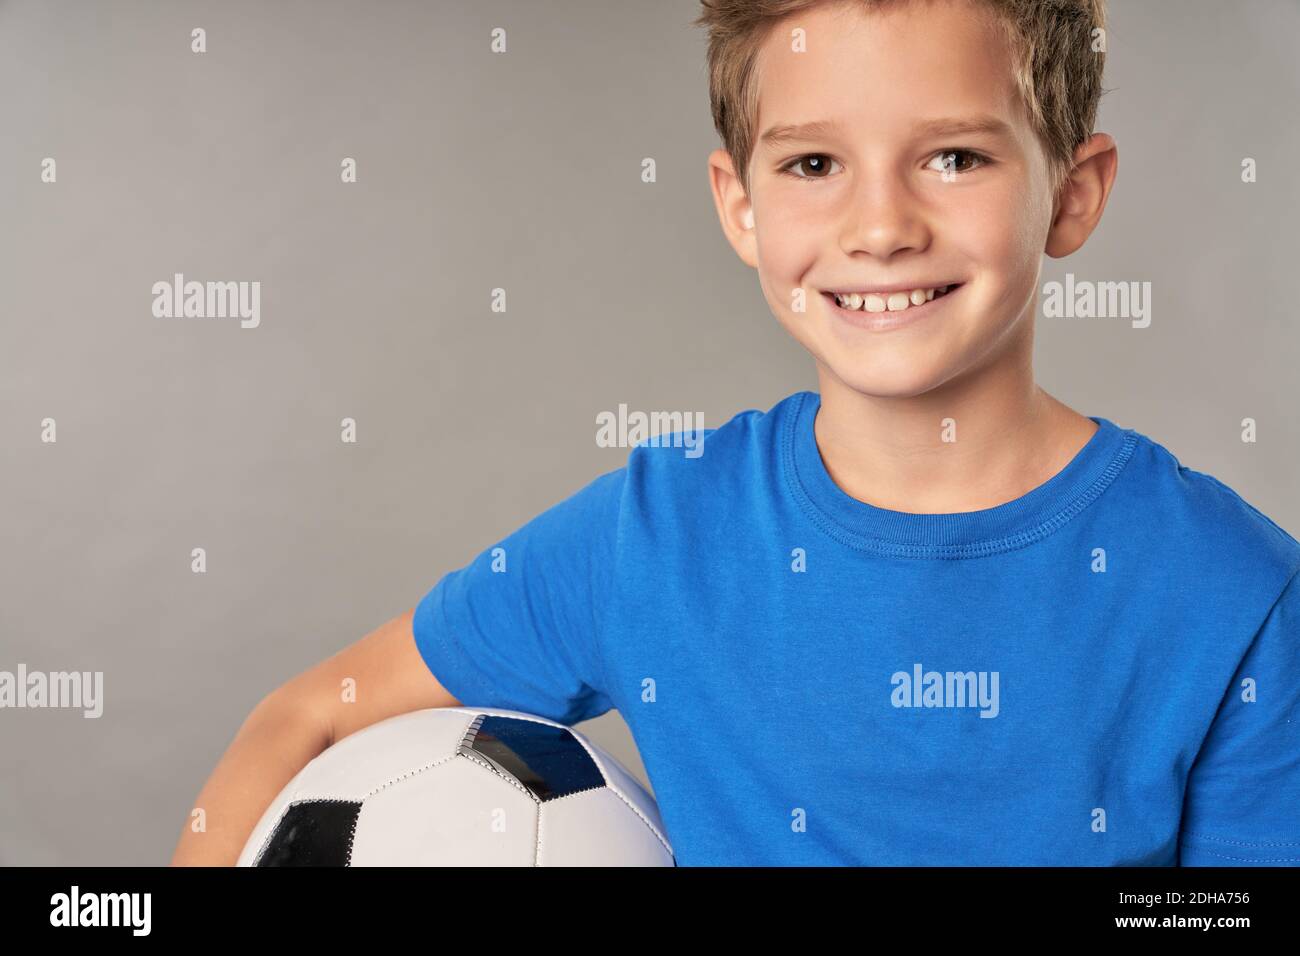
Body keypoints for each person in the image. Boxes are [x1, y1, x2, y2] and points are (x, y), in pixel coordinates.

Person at [172, 0, 1300, 866]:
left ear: (1072, 192)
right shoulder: (656, 539)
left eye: (954, 155)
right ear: (739, 205)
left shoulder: (1234, 592)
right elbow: (309, 716)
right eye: (814, 164)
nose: (879, 227)